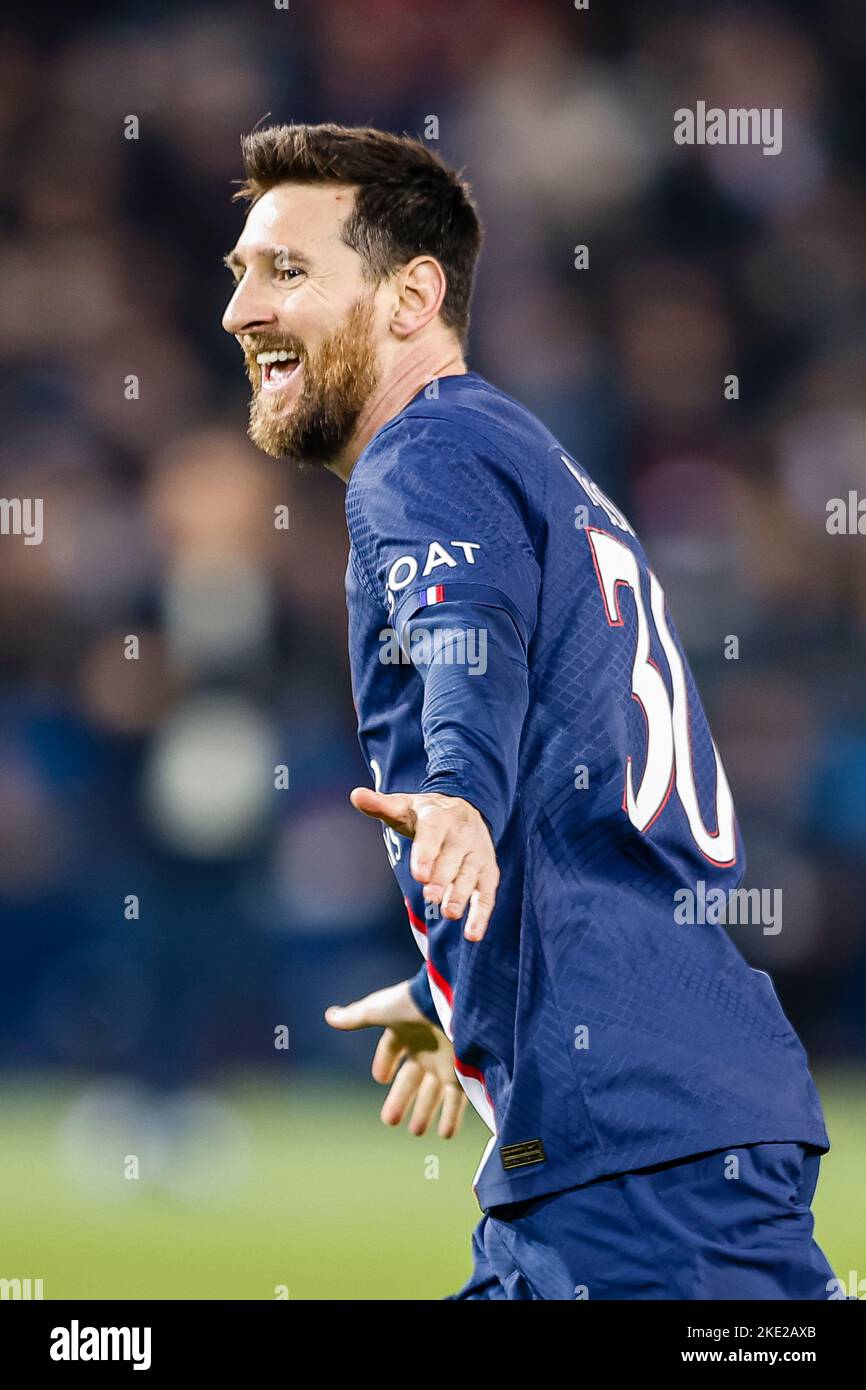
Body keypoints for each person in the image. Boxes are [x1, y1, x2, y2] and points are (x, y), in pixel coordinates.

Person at [222, 122, 834, 1300]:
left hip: (639, 1161)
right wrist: (461, 975)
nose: (243, 309)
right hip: (622, 1132)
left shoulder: (426, 453)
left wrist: (454, 786)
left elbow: (467, 640)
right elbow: (585, 776)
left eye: (286, 270)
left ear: (412, 296)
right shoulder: (515, 452)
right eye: (240, 271)